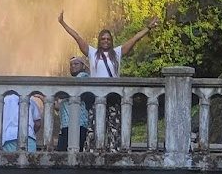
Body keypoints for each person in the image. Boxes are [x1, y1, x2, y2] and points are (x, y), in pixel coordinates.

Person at [58, 11, 159, 148]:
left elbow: (134, 39)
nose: (105, 41)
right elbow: (77, 37)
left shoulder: (117, 53)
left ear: (111, 41)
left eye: (108, 39)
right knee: (93, 128)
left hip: (113, 96)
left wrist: (148, 28)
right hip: (96, 97)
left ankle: (113, 153)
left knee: (114, 128)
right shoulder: (92, 53)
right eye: (103, 39)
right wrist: (63, 23)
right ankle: (92, 155)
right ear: (99, 41)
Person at [58, 56, 91, 151]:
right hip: (67, 124)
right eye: (71, 65)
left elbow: (66, 92)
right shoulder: (75, 79)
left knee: (70, 154)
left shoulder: (83, 77)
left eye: (76, 64)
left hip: (77, 124)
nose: (73, 66)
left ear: (83, 66)